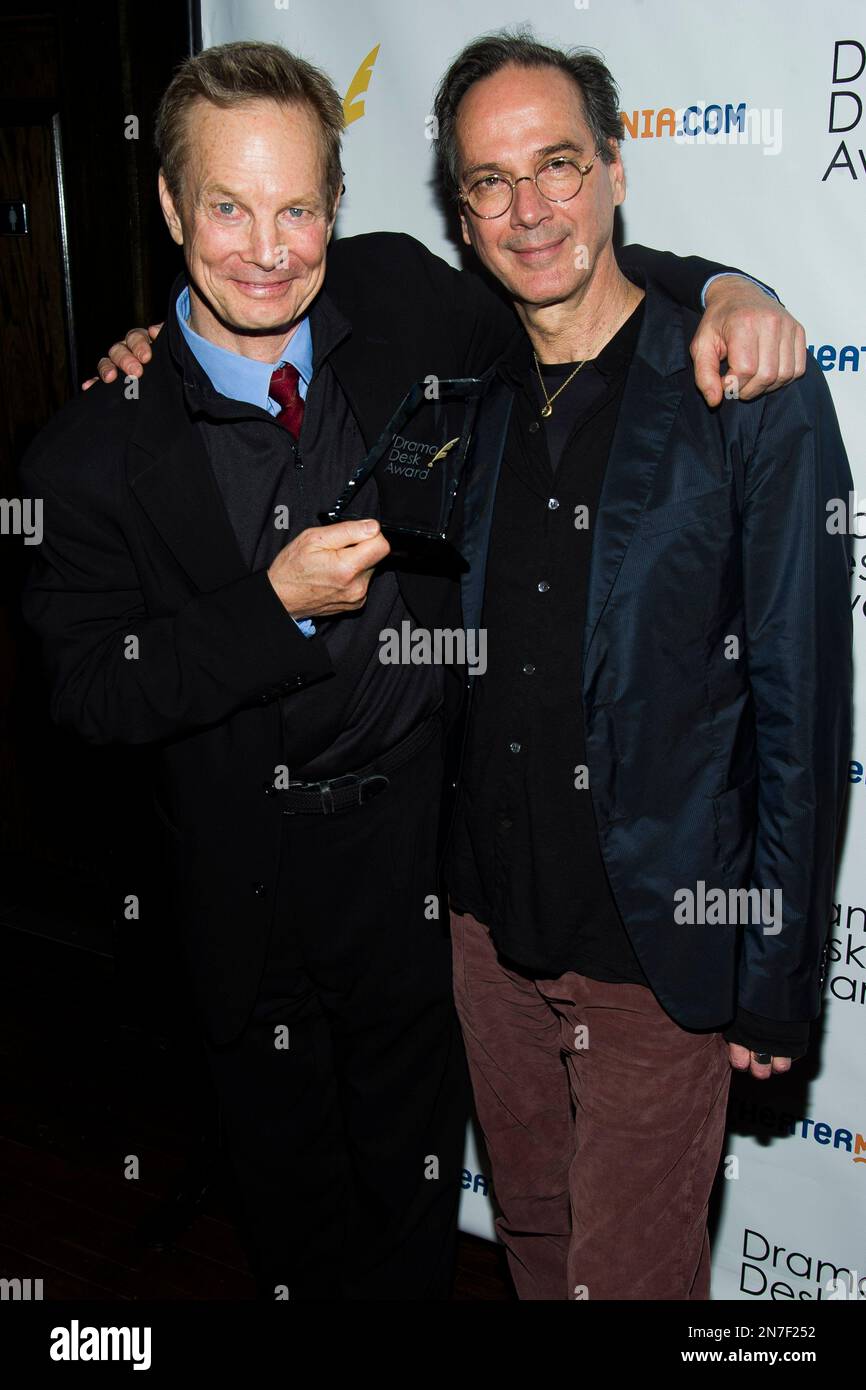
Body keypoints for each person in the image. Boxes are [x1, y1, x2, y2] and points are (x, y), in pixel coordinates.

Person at [25, 39, 805, 1301]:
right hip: (242, 890)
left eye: (296, 208)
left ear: (339, 207)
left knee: (415, 1213)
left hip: (417, 875)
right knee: (291, 1217)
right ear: (170, 207)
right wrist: (267, 609)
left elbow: (560, 272)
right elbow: (89, 694)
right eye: (227, 206)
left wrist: (719, 283)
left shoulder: (393, 300)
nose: (267, 249)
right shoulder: (85, 454)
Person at [429, 30, 853, 1300]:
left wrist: (775, 982)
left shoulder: (745, 383)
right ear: (461, 213)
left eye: (556, 164)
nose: (527, 208)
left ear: (615, 170)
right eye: (490, 182)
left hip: (657, 959)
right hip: (482, 939)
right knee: (532, 1252)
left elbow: (800, 703)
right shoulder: (463, 387)